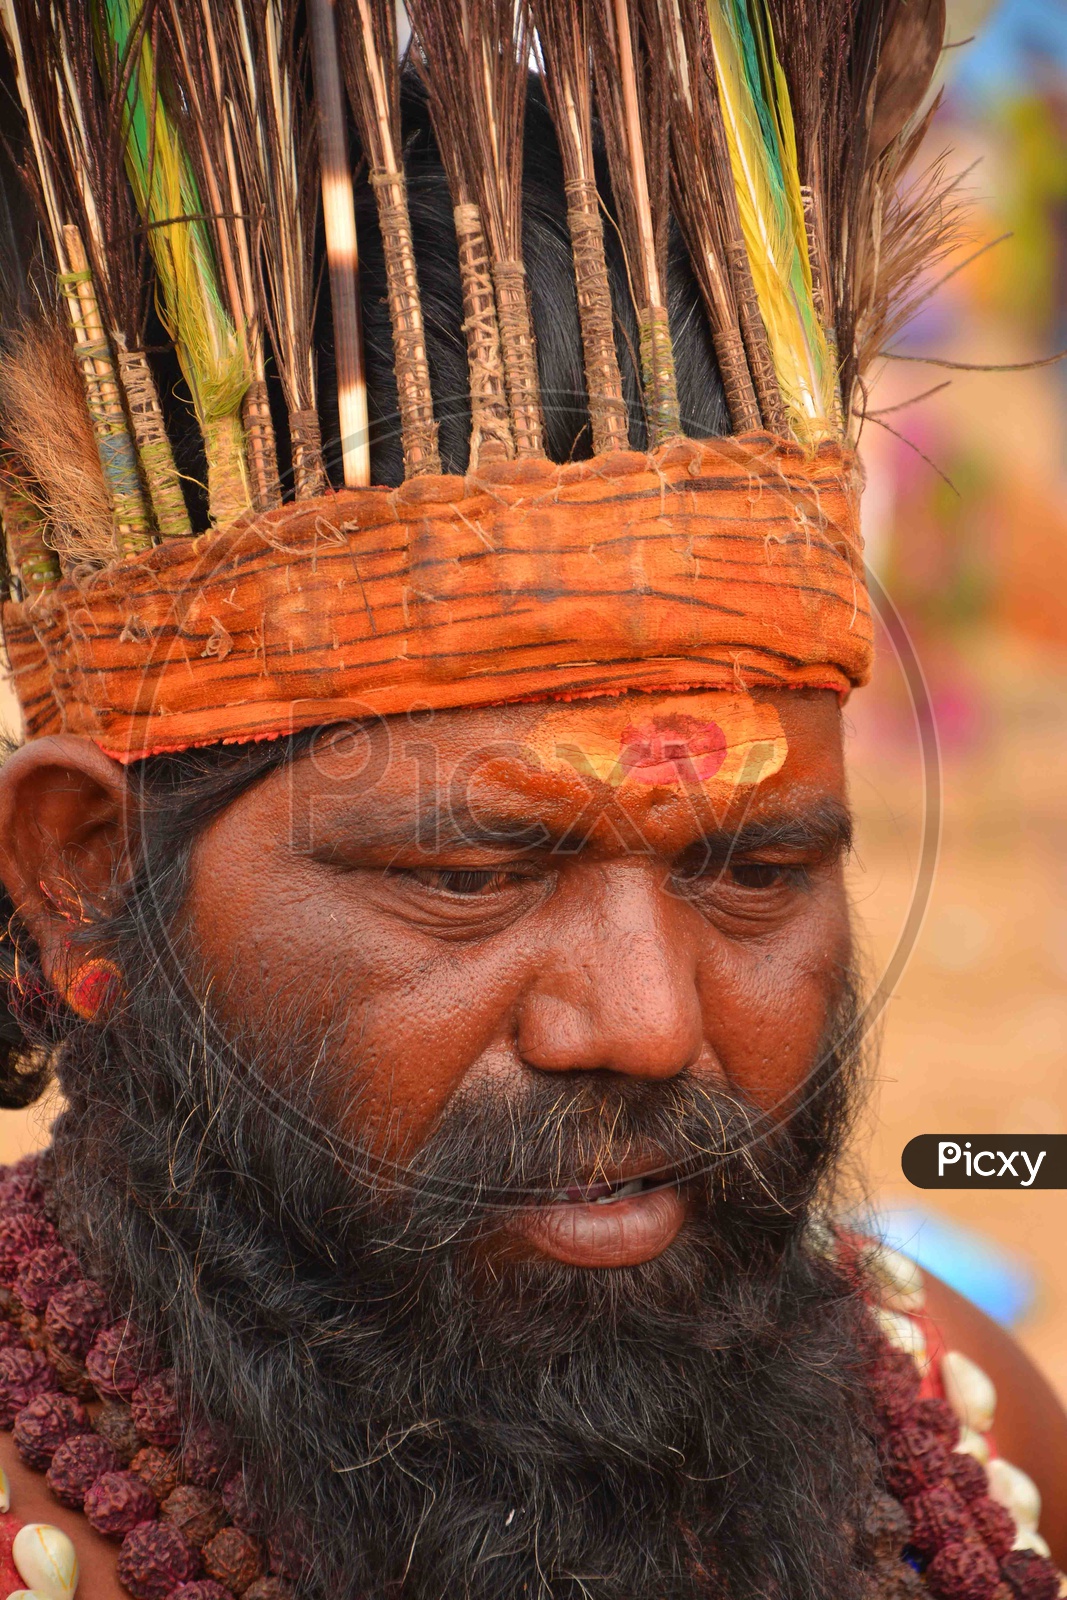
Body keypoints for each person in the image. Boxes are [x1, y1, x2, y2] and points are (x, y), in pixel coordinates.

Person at [0, 2, 1063, 1598]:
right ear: (84, 870)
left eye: (755, 868)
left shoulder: (956, 1428)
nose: (641, 1022)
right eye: (469, 874)